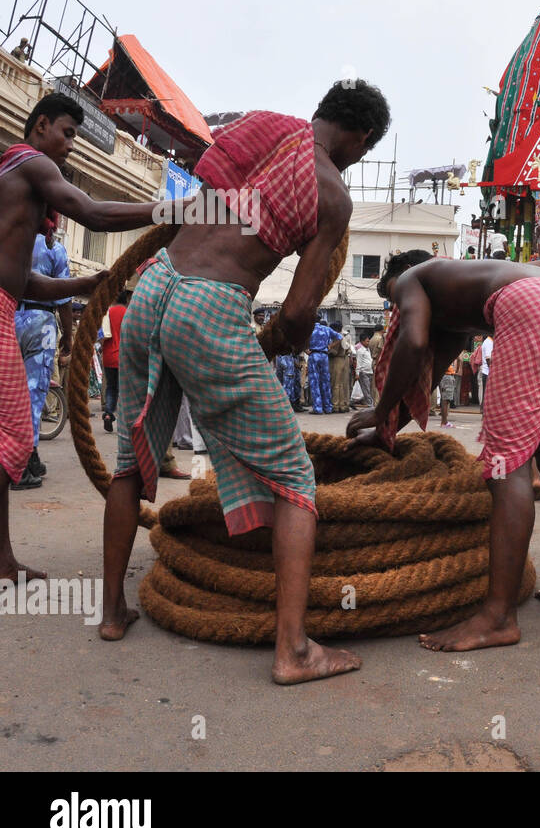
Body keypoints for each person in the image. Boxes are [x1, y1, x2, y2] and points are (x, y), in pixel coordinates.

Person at [101, 81, 390, 684]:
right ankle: (294, 651)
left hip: (156, 285)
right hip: (211, 306)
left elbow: (201, 205)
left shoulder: (261, 124)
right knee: (293, 477)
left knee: (131, 458)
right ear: (361, 139)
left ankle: (110, 613)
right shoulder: (332, 194)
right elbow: (296, 314)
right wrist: (276, 340)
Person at [346, 256, 540, 651]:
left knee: (506, 469)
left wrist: (379, 411)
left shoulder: (413, 278)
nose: (400, 309)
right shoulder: (457, 303)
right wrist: (387, 429)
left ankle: (498, 618)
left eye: (396, 300)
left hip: (531, 305)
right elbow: (422, 380)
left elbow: (411, 343)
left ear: (400, 277)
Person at [1, 93, 156, 581]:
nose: (70, 146)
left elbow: (25, 284)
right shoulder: (31, 163)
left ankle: (3, 562)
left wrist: (83, 286)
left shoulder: (18, 178)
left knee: (7, 436)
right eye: (67, 134)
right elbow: (92, 213)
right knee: (13, 435)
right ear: (41, 125)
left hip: (7, 307)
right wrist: (171, 210)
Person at [13, 229, 76, 489]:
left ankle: (31, 455)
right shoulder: (54, 248)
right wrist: (68, 336)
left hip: (8, 317)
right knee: (34, 393)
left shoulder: (11, 238)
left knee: (9, 394)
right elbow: (63, 297)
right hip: (41, 324)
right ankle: (23, 465)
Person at [101, 290, 131, 433]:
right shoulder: (129, 313)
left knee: (111, 387)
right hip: (125, 356)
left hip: (108, 355)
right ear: (126, 299)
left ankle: (108, 413)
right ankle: (124, 422)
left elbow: (102, 334)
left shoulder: (108, 312)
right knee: (124, 390)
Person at [307, 314, 341, 413]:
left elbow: (301, 341)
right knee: (325, 382)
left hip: (314, 355)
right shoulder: (326, 329)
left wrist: (306, 351)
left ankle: (318, 408)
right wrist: (330, 346)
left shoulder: (309, 329)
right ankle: (328, 407)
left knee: (314, 382)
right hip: (324, 356)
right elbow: (339, 337)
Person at [328, 321, 351, 412]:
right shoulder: (344, 337)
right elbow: (348, 350)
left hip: (336, 360)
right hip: (343, 360)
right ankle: (343, 405)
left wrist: (327, 350)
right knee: (341, 384)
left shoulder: (337, 338)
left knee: (335, 384)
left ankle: (335, 405)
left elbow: (334, 352)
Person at [353, 334, 374, 407]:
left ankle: (353, 402)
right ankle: (370, 405)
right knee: (366, 390)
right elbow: (358, 362)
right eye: (367, 341)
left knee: (367, 389)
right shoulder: (360, 351)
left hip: (369, 371)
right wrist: (357, 373)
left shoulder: (368, 349)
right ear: (362, 341)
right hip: (363, 372)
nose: (368, 343)